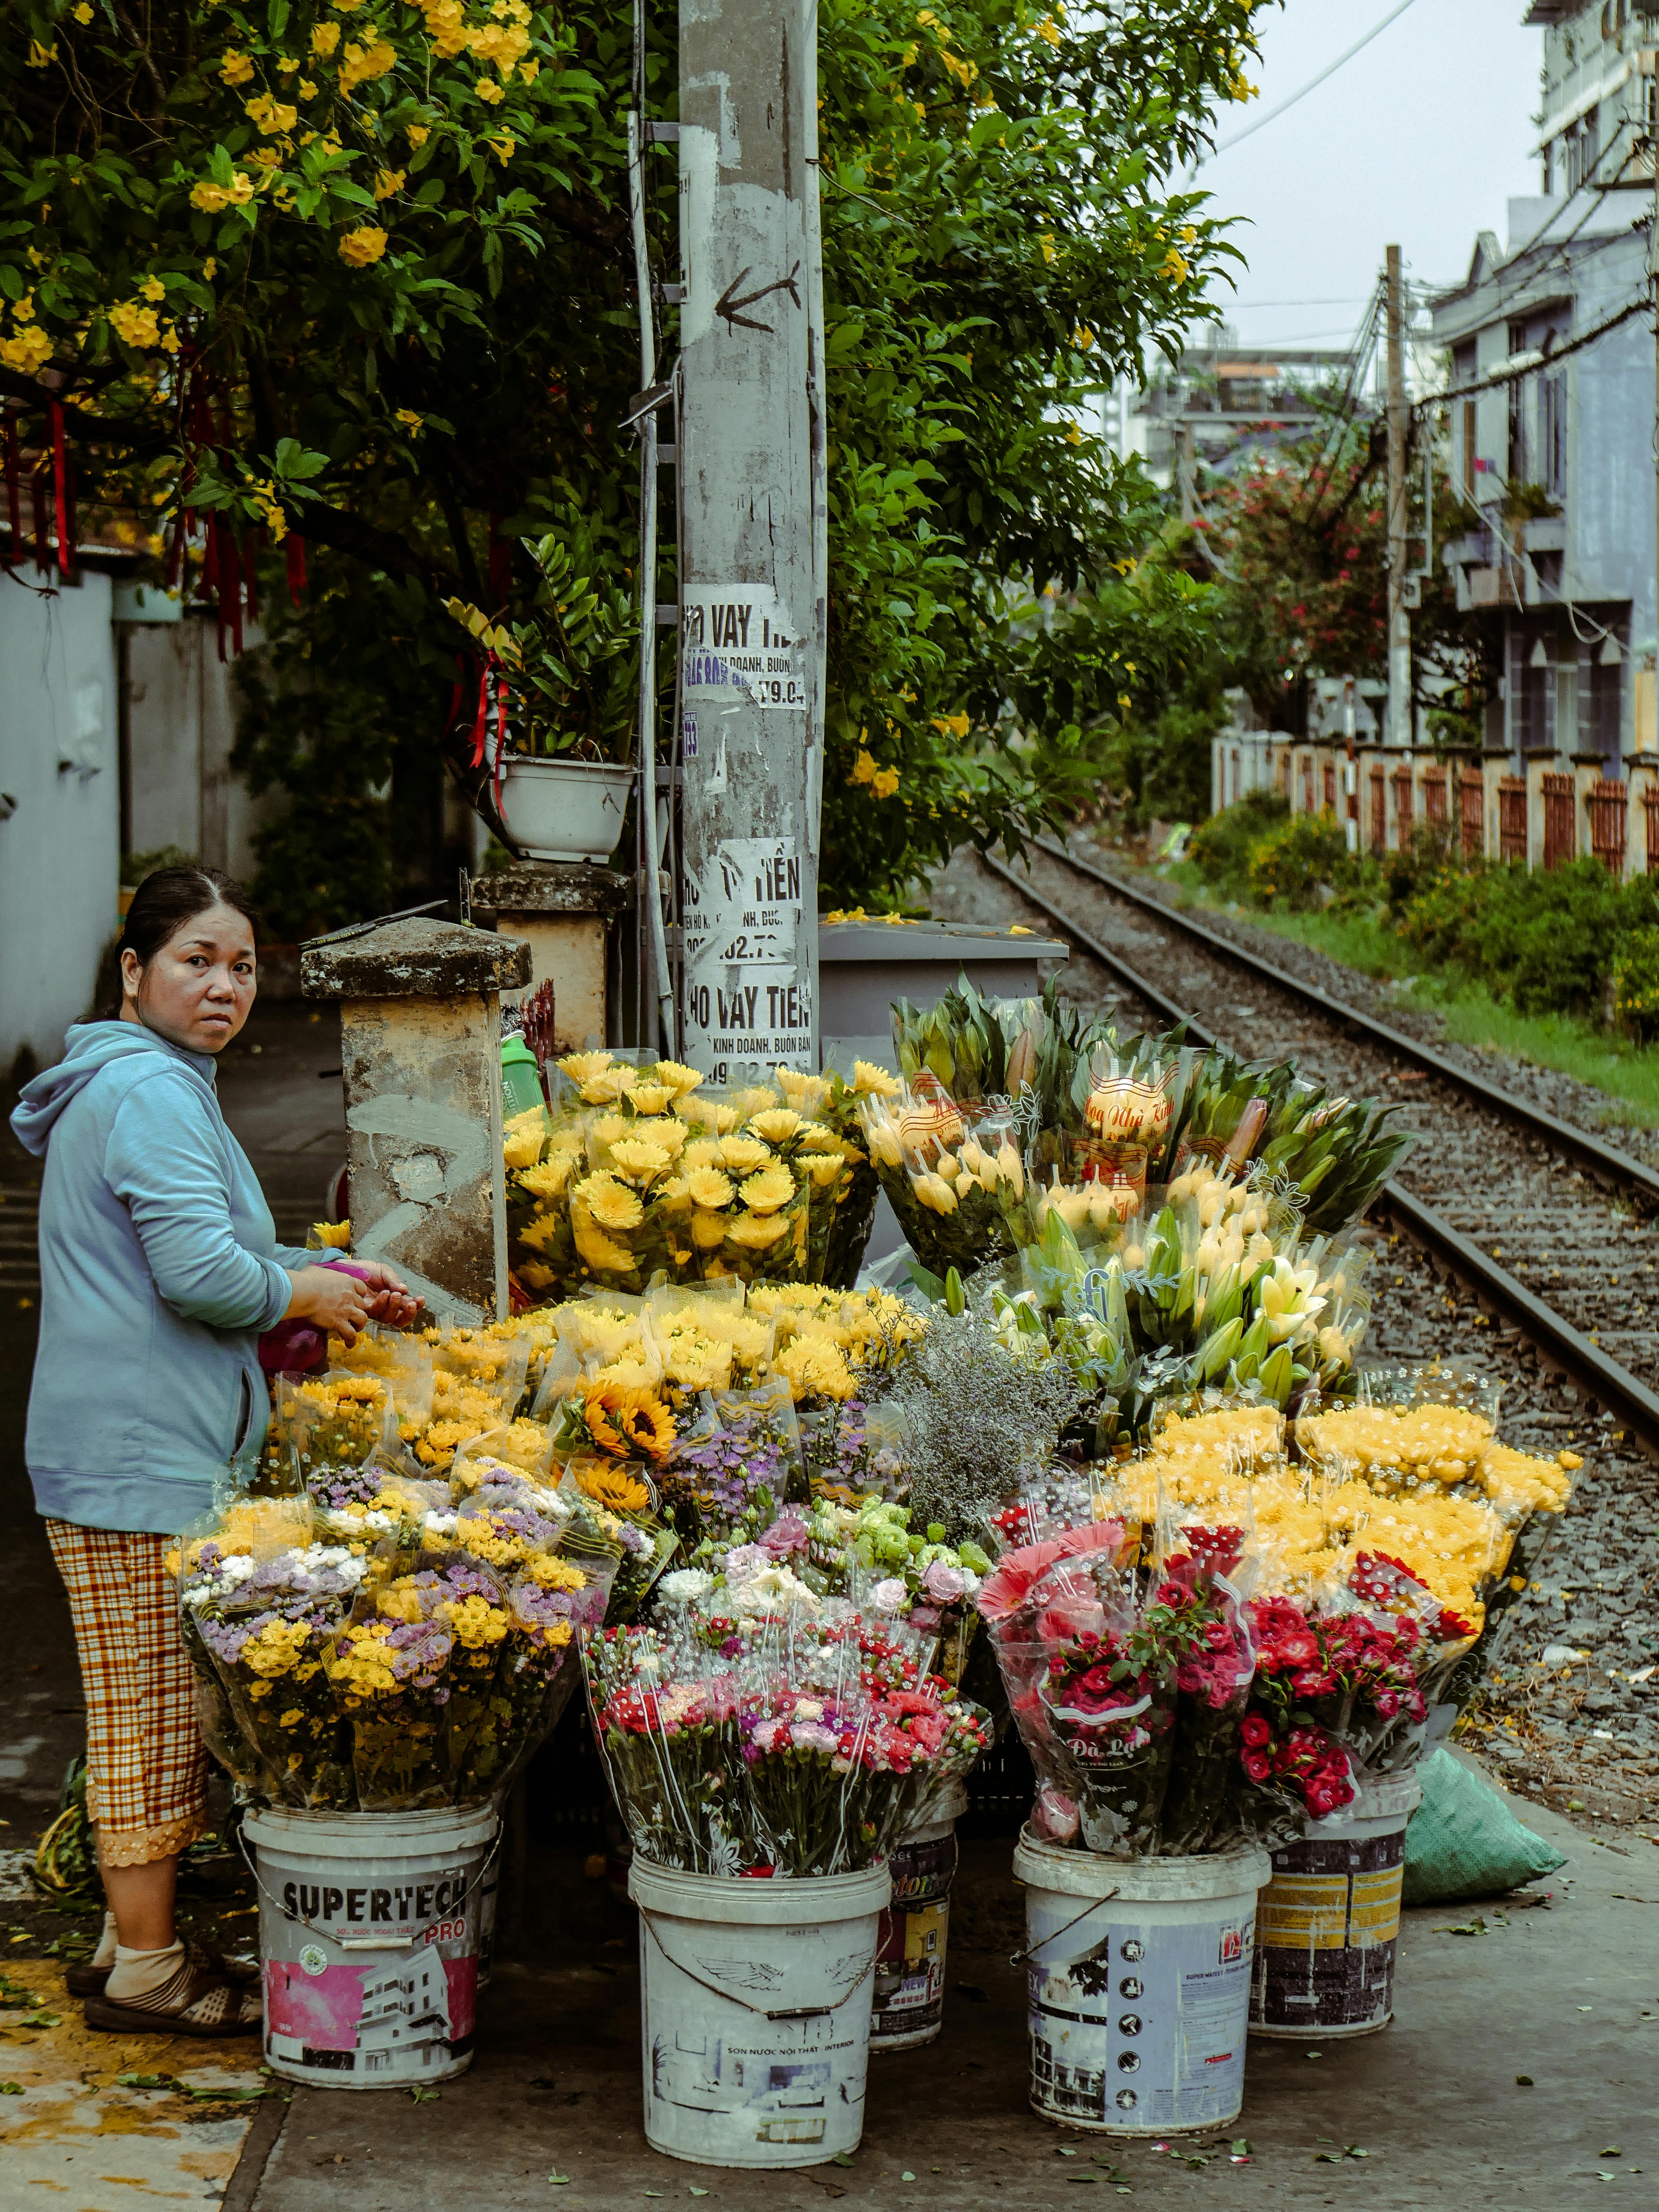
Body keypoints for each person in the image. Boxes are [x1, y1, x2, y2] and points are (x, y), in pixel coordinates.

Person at [10, 865, 416, 2036]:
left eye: (242, 964)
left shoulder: (154, 1085)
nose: (225, 985)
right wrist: (304, 1291)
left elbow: (199, 1248)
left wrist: (323, 1273)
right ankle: (149, 1969)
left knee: (144, 1704)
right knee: (147, 1712)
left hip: (139, 1449)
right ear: (132, 974)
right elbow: (200, 1278)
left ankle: (120, 1939)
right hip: (133, 1460)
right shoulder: (147, 1094)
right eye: (196, 960)